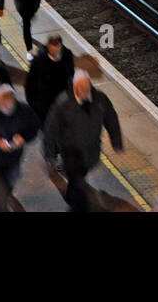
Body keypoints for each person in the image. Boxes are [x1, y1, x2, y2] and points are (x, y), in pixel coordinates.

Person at [43, 70, 124, 212]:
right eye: (81, 89)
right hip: (71, 153)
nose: (85, 92)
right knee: (78, 182)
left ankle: (71, 193)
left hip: (92, 151)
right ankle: (78, 206)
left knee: (79, 178)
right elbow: (50, 129)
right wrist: (50, 153)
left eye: (87, 88)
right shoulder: (63, 103)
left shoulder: (100, 99)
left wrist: (116, 141)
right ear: (74, 87)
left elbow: (111, 118)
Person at [0, 85, 41, 212]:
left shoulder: (23, 110)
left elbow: (34, 126)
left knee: (6, 190)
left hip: (13, 161)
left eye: (10, 102)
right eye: (4, 102)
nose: (8, 106)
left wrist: (23, 137)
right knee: (1, 199)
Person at [25, 33, 75, 125]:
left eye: (57, 49)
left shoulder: (67, 56)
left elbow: (71, 76)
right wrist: (33, 104)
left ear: (60, 46)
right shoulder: (39, 60)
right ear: (48, 46)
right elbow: (30, 83)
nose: (55, 52)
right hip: (44, 104)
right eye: (52, 50)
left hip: (62, 101)